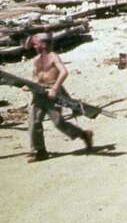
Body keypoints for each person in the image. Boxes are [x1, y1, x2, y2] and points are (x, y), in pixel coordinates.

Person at [26, 32, 93, 161]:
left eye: (36, 44)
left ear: (43, 44)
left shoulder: (53, 57)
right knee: (33, 122)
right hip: (39, 93)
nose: (34, 47)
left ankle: (84, 134)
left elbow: (64, 72)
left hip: (53, 92)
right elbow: (35, 77)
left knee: (58, 122)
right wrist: (30, 85)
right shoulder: (36, 60)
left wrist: (55, 88)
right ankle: (39, 151)